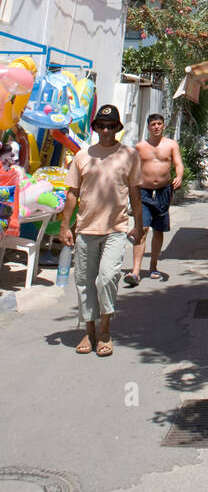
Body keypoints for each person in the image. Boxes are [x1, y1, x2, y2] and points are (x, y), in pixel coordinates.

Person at [58, 104, 143, 358]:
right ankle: (89, 330)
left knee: (106, 278)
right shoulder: (82, 156)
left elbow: (134, 193)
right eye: (101, 125)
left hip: (116, 228)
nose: (106, 130)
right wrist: (65, 225)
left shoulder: (129, 155)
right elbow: (72, 193)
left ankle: (105, 329)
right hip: (85, 228)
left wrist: (138, 225)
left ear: (118, 128)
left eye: (111, 126)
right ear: (95, 128)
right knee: (84, 282)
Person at [124, 113, 183, 286]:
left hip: (164, 191)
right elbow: (131, 168)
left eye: (159, 124)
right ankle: (135, 271)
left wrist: (179, 176)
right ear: (148, 127)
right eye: (153, 124)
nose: (156, 127)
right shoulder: (141, 146)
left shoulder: (171, 145)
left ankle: (153, 265)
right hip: (144, 191)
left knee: (158, 229)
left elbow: (178, 163)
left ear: (163, 126)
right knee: (142, 228)